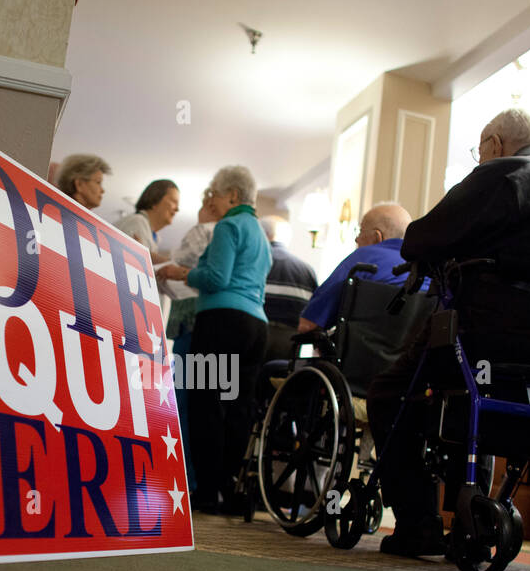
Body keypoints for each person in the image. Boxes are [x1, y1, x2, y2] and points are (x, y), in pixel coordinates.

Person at [365, 108, 530, 556]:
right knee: (466, 399)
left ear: (495, 144)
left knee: (389, 394)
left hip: (484, 335)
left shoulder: (502, 173)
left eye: (480, 150)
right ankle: (471, 514)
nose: (480, 159)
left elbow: (420, 239)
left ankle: (419, 524)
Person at [158, 166, 272, 514]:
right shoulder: (261, 235)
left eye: (215, 194)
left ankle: (206, 492)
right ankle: (228, 488)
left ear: (233, 196)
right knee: (238, 408)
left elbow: (217, 278)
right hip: (256, 326)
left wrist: (183, 272)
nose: (211, 201)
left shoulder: (230, 225)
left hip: (222, 321)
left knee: (206, 405)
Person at [162, 198, 221, 494]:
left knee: (186, 404)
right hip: (221, 325)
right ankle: (208, 481)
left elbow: (178, 264)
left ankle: (188, 480)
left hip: (192, 325)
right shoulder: (237, 237)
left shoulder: (204, 230)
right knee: (215, 401)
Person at [298, 202, 414, 334]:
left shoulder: (363, 259)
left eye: (360, 231)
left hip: (361, 351)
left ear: (377, 237)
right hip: (415, 352)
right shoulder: (426, 266)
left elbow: (307, 325)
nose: (356, 239)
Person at [259, 216, 318, 362]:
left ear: (263, 234)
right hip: (290, 339)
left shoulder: (254, 261)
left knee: (245, 381)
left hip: (256, 332)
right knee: (279, 381)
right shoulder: (306, 269)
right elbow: (314, 309)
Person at [115, 179, 180, 265]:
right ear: (155, 201)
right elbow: (133, 264)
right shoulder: (137, 222)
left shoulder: (154, 237)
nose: (177, 209)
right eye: (174, 202)